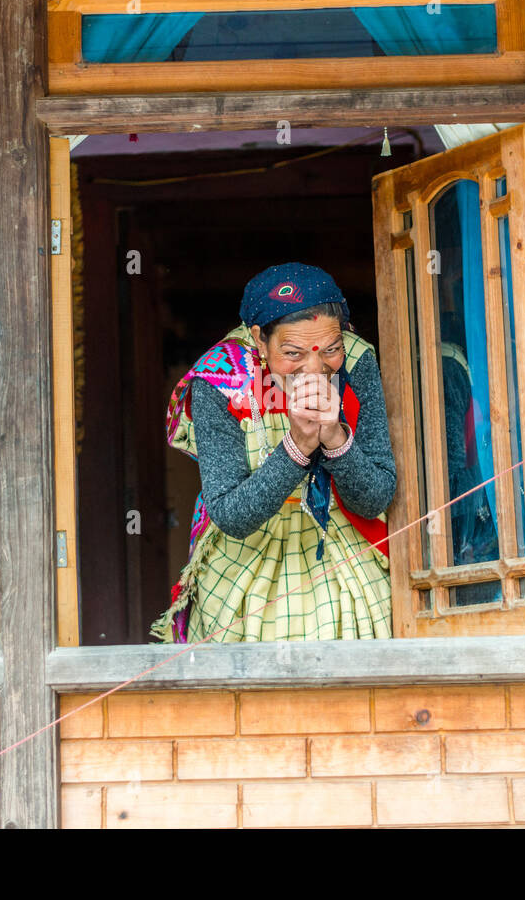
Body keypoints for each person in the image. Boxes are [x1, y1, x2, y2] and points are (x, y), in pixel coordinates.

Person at [152, 262, 396, 643]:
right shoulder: (221, 379)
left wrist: (335, 438)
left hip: (343, 548)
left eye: (330, 349)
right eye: (294, 353)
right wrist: (297, 448)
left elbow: (376, 496)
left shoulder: (357, 361)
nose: (315, 369)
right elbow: (231, 514)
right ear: (259, 340)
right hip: (245, 565)